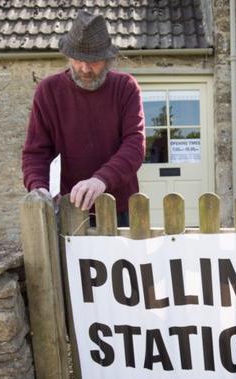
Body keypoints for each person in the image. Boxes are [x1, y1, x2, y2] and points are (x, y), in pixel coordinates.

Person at [22, 11, 145, 227]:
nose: (85, 69)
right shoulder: (48, 91)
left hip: (119, 207)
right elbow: (35, 152)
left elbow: (134, 145)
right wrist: (39, 187)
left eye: (94, 61)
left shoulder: (125, 87)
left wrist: (101, 180)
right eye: (78, 60)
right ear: (68, 55)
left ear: (108, 58)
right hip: (68, 208)